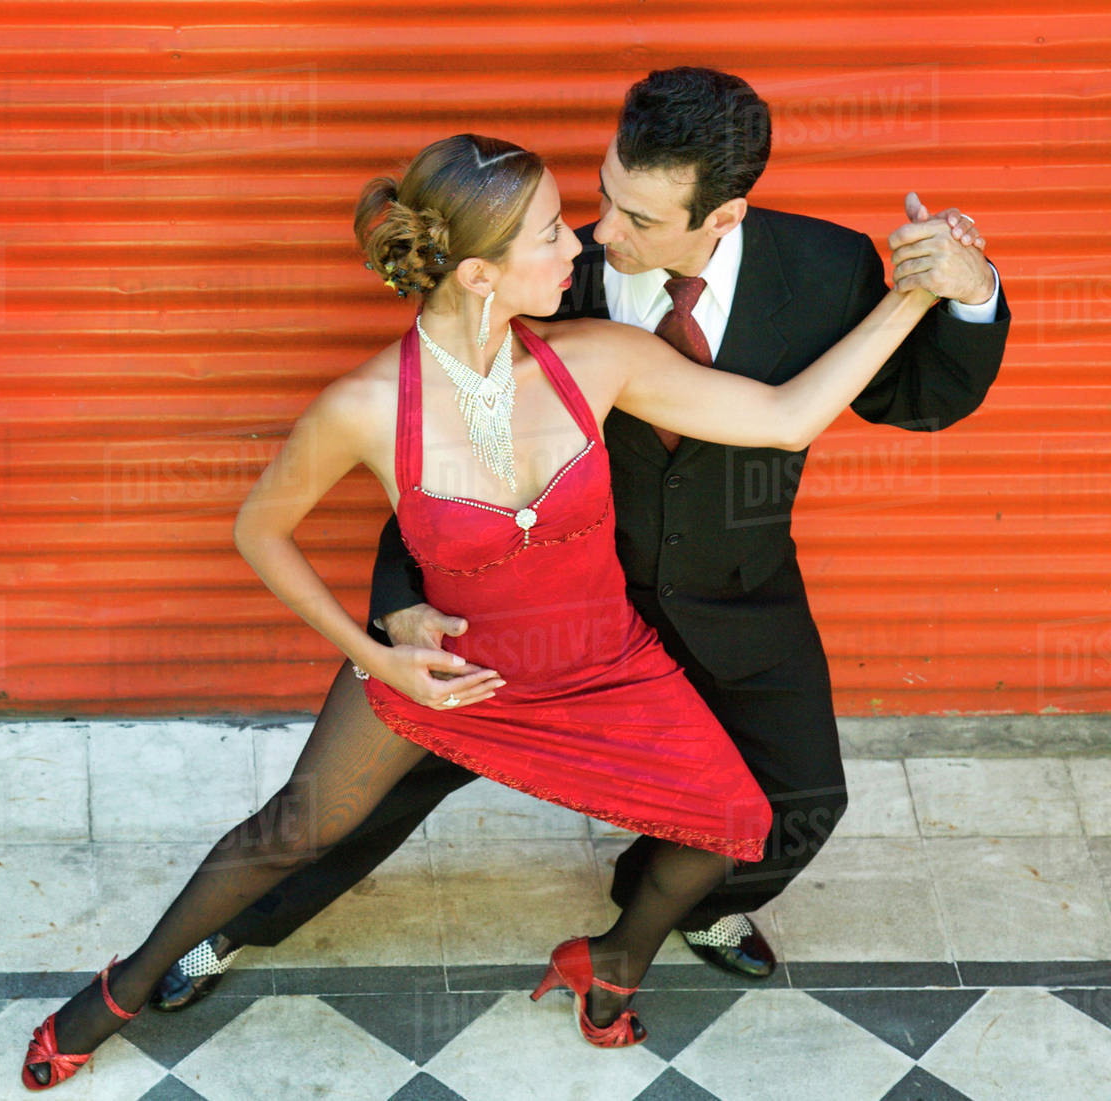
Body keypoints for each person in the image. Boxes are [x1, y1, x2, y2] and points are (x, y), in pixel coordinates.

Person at [22, 129, 944, 1088]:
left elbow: (787, 417)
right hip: (453, 675)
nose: (580, 244)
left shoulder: (601, 357)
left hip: (602, 665)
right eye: (551, 234)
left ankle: (611, 960)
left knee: (730, 820)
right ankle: (118, 990)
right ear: (477, 274)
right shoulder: (364, 405)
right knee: (292, 829)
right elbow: (260, 530)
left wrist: (915, 294)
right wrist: (376, 652)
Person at [155, 66, 1010, 1010]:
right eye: (602, 196)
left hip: (733, 591)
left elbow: (915, 398)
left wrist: (963, 288)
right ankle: (229, 926)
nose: (602, 232)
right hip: (539, 605)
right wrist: (397, 605)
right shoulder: (549, 278)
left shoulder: (825, 267)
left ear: (722, 215)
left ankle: (679, 902)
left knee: (802, 800)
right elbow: (443, 464)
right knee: (362, 797)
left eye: (636, 218)